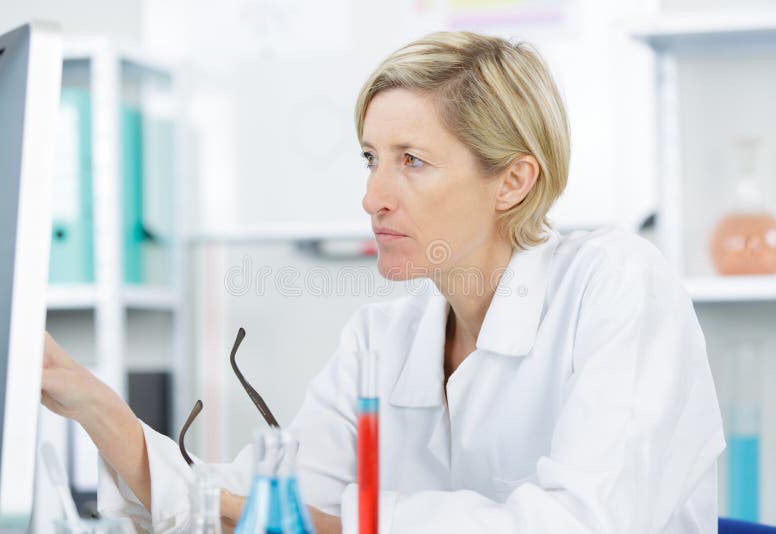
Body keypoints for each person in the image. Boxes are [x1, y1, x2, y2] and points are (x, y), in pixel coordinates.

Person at [41, 31, 725, 533]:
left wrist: (331, 523)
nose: (373, 197)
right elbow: (255, 503)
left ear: (513, 181)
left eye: (412, 161)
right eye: (371, 158)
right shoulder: (383, 336)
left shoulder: (617, 286)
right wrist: (98, 409)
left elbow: (582, 523)